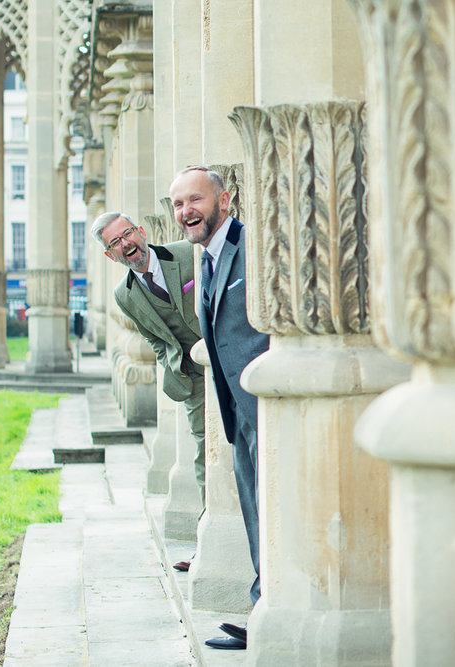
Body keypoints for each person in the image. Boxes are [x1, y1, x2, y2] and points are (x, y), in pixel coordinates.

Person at [169, 166, 270, 651]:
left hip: (268, 409)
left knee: (272, 512)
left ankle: (268, 611)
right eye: (178, 204)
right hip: (238, 416)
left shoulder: (251, 247)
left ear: (224, 201)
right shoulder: (204, 260)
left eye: (196, 200)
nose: (186, 211)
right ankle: (262, 607)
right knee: (254, 512)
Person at [92, 211, 206, 555]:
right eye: (116, 242)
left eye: (127, 234)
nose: (126, 243)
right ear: (110, 255)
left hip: (227, 359)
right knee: (204, 455)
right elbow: (154, 338)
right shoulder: (123, 295)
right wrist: (172, 366)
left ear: (141, 232)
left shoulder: (187, 253)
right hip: (191, 376)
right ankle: (208, 542)